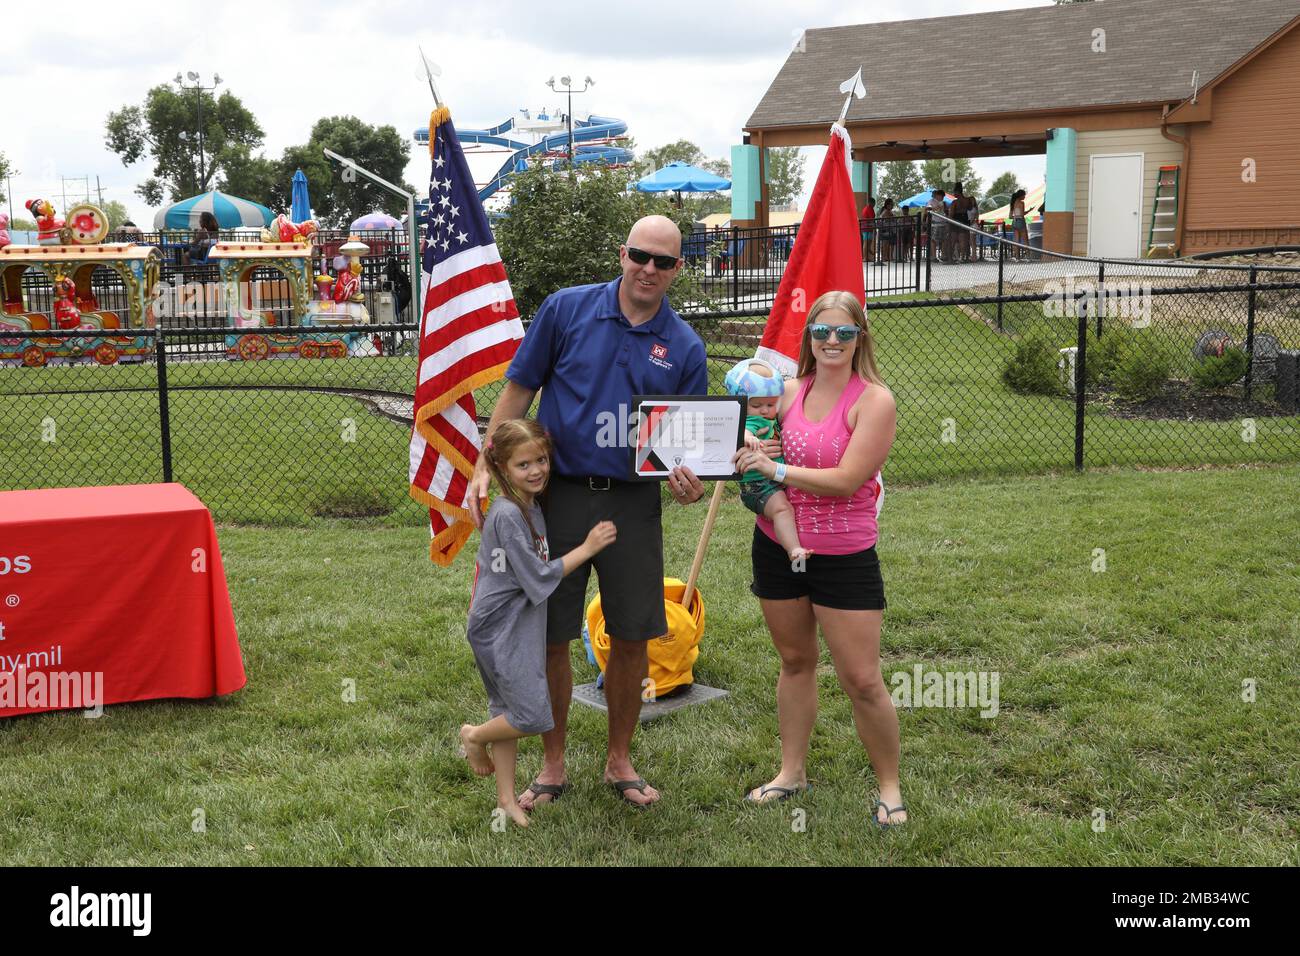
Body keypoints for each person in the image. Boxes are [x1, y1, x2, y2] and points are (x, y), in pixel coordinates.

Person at [469, 215, 725, 809]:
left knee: (633, 634)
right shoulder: (565, 309)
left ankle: (619, 760)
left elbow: (685, 449)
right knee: (550, 633)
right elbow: (519, 385)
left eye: (664, 261)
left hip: (634, 503)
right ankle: (552, 764)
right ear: (622, 253)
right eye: (641, 255)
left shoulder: (684, 346)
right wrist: (487, 459)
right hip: (558, 496)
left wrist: (686, 484)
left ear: (678, 270)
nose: (649, 269)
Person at [732, 289, 905, 829]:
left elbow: (848, 479)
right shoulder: (784, 391)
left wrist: (775, 470)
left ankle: (890, 789)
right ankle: (791, 773)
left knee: (862, 679)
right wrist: (743, 451)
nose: (832, 341)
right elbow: (741, 430)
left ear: (860, 338)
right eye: (822, 331)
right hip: (778, 546)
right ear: (808, 337)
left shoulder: (873, 400)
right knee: (795, 661)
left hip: (842, 554)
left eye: (844, 332)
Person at [459, 419, 617, 827]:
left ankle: (507, 800)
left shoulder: (528, 506)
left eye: (541, 460)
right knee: (530, 716)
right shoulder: (509, 515)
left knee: (506, 712)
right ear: (501, 469)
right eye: (523, 465)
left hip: (512, 623)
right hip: (499, 629)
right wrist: (588, 547)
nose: (536, 471)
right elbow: (540, 577)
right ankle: (474, 736)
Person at [726, 359, 809, 563]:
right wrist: (747, 437)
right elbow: (743, 429)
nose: (764, 410)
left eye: (770, 404)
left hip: (773, 478)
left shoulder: (770, 417)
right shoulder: (751, 419)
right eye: (757, 404)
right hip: (757, 485)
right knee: (783, 509)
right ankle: (794, 550)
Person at [926, 189, 947, 261]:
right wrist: (937, 207)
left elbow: (945, 211)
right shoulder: (931, 201)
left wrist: (944, 208)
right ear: (938, 195)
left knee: (944, 239)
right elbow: (927, 209)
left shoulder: (944, 202)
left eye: (943, 197)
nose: (942, 198)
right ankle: (934, 256)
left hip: (943, 223)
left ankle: (943, 255)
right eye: (942, 196)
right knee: (933, 239)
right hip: (935, 223)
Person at [1009, 189, 1028, 259]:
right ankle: (1028, 257)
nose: (1024, 197)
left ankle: (1017, 257)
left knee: (1017, 241)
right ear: (1021, 195)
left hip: (1014, 222)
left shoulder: (1012, 203)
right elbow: (1022, 214)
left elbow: (1010, 216)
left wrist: (1016, 216)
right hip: (1021, 221)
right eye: (1024, 195)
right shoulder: (1022, 203)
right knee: (1025, 240)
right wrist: (1028, 211)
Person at [876, 198, 897, 263]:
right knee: (885, 244)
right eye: (891, 204)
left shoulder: (889, 211)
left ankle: (888, 256)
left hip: (889, 230)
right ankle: (885, 257)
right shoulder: (886, 212)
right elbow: (886, 220)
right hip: (885, 230)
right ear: (887, 205)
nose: (892, 205)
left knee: (888, 244)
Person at [860, 195, 876, 262]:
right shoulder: (868, 209)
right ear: (871, 203)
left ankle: (867, 257)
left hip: (869, 228)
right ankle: (864, 258)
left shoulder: (869, 209)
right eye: (874, 203)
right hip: (866, 228)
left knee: (868, 243)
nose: (874, 205)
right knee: (866, 243)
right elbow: (871, 219)